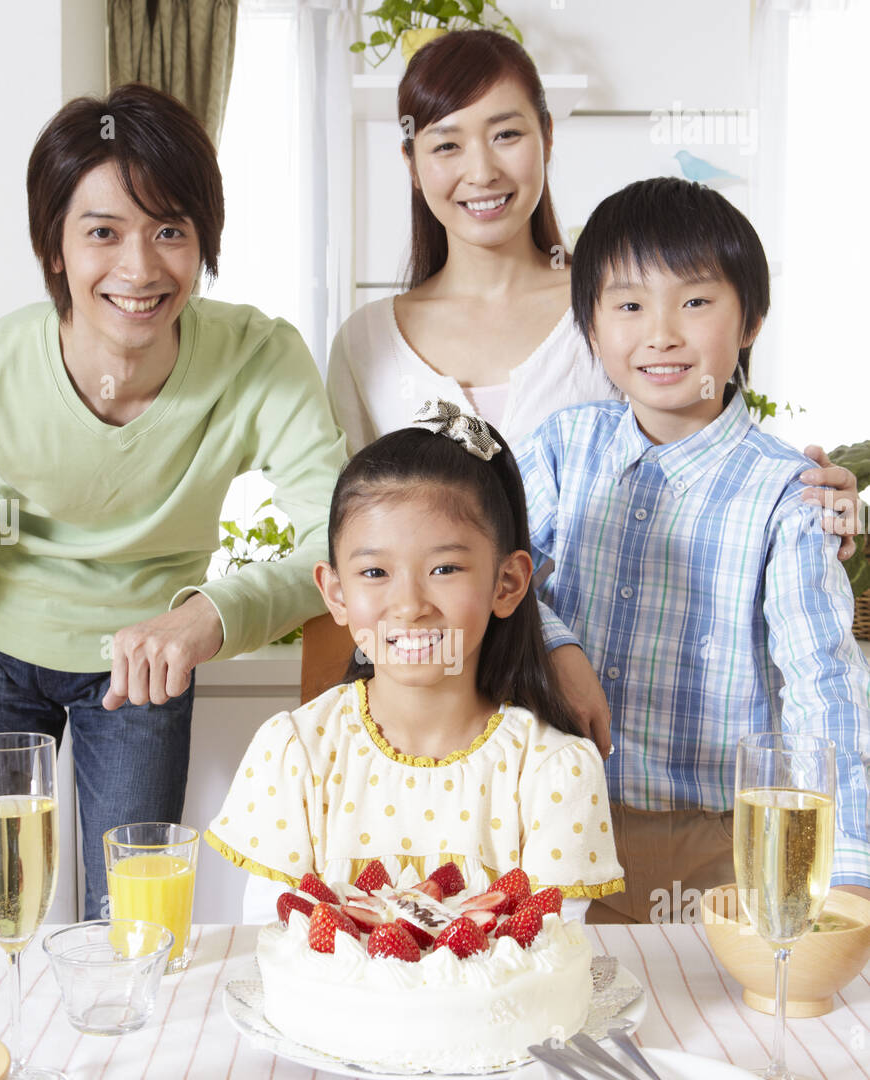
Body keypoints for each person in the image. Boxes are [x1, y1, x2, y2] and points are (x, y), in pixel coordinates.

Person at [326, 29, 858, 759]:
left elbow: (711, 445)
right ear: (412, 162)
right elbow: (350, 538)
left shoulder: (620, 311)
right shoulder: (367, 342)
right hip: (420, 720)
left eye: (507, 133)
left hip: (593, 748)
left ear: (546, 136)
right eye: (446, 142)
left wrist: (813, 499)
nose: (481, 169)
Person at [0, 84, 347, 921]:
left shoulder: (260, 358)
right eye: (103, 233)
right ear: (54, 248)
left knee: (135, 924)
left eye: (170, 230)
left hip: (144, 665)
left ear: (202, 243)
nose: (139, 268)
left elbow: (335, 535)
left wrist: (210, 613)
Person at [515, 177, 870, 924]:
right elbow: (497, 579)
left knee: (717, 1027)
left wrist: (848, 867)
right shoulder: (559, 450)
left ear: (751, 322)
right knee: (566, 1014)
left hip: (718, 839)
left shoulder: (791, 495)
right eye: (630, 304)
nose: (662, 333)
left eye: (697, 301)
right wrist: (559, 643)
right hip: (558, 823)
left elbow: (822, 682)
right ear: (590, 326)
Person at [206, 402, 624, 920]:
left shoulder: (552, 774)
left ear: (508, 583)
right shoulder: (294, 756)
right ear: (334, 593)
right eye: (375, 572)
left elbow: (548, 960)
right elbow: (272, 944)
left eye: (445, 568)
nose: (409, 605)